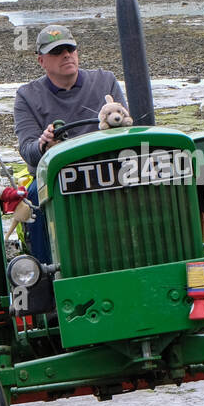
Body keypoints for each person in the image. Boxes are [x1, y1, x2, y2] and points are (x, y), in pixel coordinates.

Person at [13, 25, 127, 259]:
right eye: (57, 52)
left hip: (108, 169)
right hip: (57, 177)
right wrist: (43, 143)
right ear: (41, 61)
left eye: (70, 48)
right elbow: (28, 150)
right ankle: (46, 274)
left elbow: (127, 126)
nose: (66, 54)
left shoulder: (105, 81)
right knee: (34, 199)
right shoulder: (27, 96)